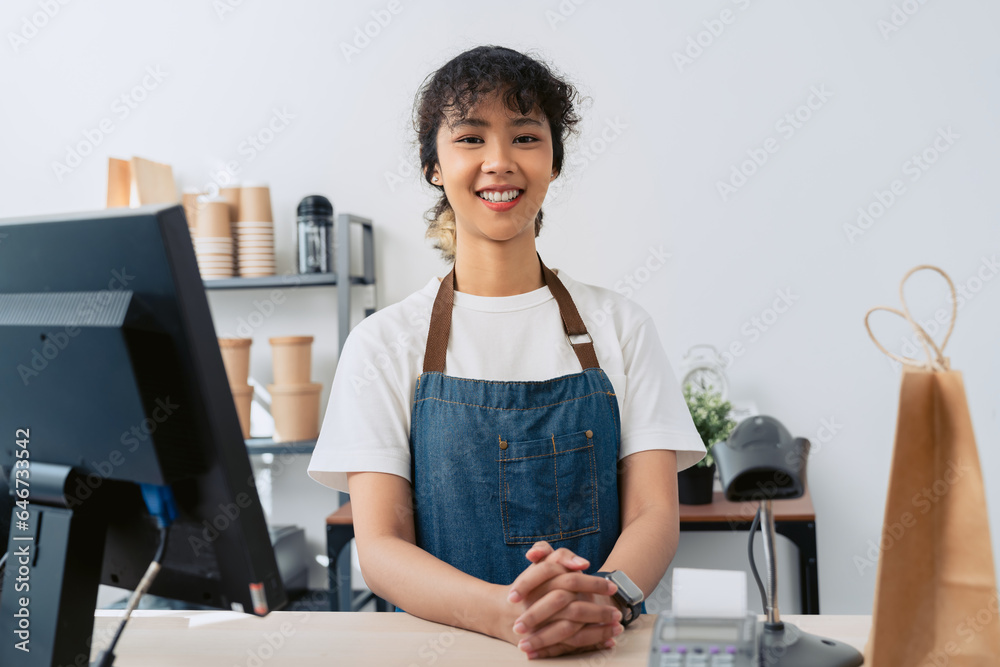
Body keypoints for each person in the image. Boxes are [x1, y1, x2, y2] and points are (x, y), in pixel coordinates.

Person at [308, 45, 706, 659]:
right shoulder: (384, 344)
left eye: (525, 137)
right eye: (470, 138)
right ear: (434, 166)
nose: (499, 163)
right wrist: (508, 615)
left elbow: (655, 512)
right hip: (446, 649)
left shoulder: (620, 327)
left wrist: (603, 599)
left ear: (552, 161)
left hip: (600, 643)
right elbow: (382, 546)